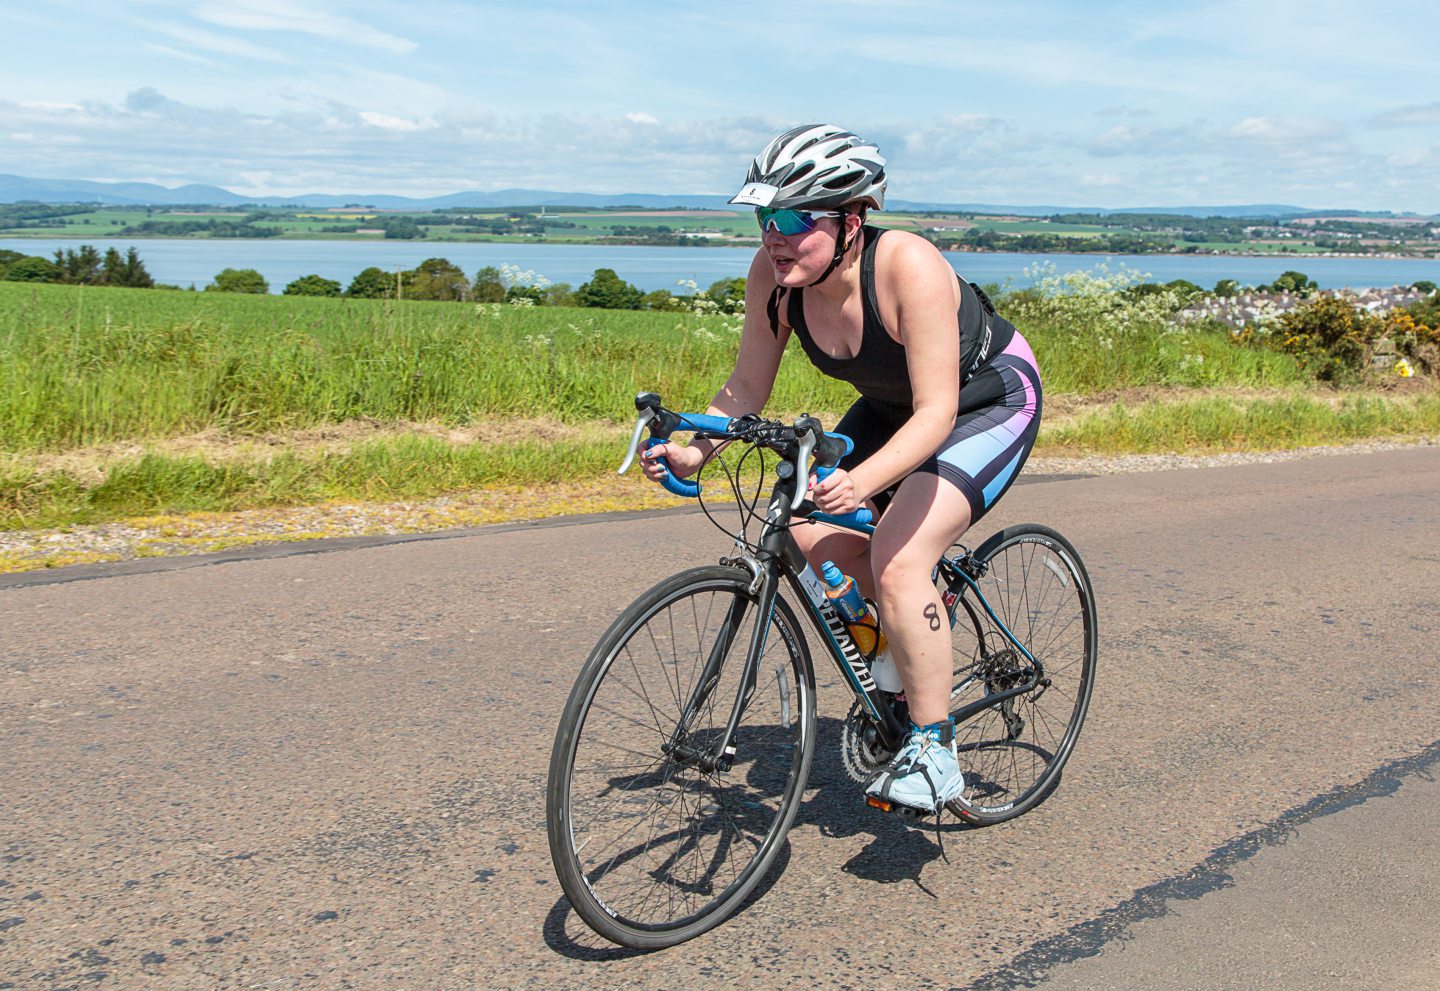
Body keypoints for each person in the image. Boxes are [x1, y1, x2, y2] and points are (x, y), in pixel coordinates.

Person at [641, 124, 1043, 814]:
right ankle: (901, 647)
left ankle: (935, 749)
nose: (776, 236)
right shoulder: (774, 279)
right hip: (892, 409)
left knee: (899, 559)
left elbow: (937, 413)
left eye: (796, 219)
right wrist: (694, 450)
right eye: (766, 218)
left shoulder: (907, 266)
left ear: (852, 220)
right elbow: (745, 388)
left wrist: (863, 481)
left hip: (984, 402)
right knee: (803, 528)